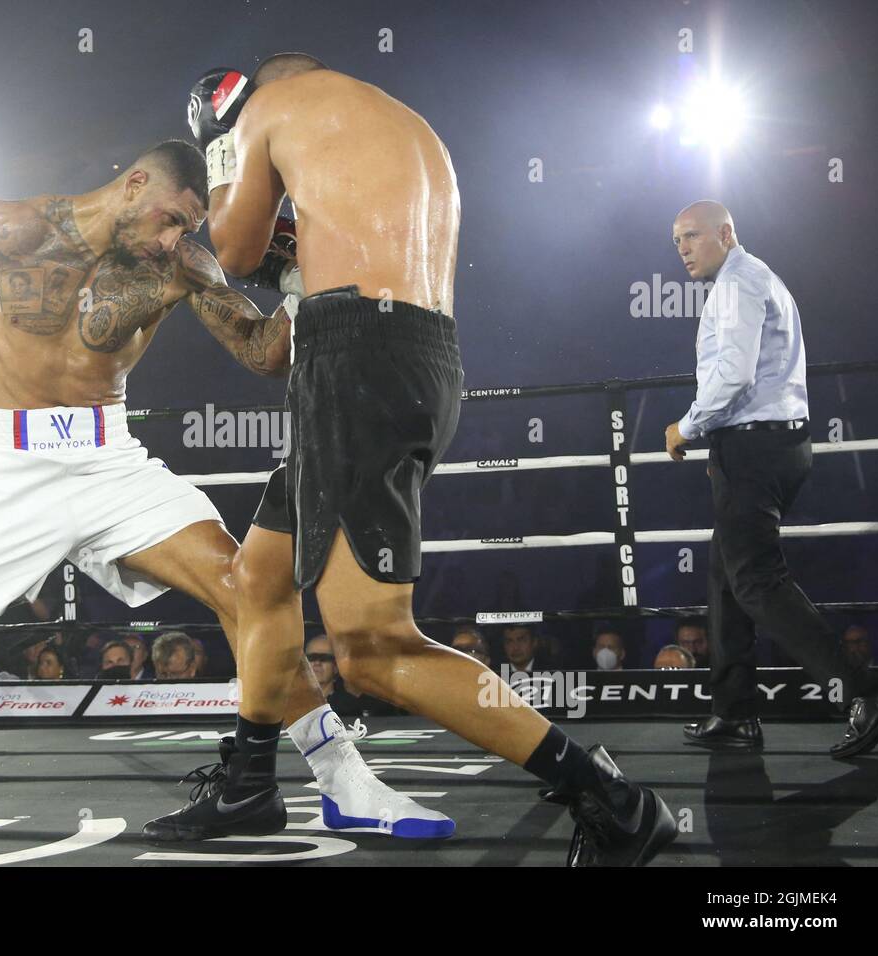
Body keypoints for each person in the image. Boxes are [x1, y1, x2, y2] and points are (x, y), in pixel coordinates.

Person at [0, 139, 441, 835]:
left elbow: (261, 354)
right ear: (135, 185)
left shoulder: (182, 262)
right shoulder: (10, 227)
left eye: (186, 229)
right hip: (7, 471)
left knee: (249, 585)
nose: (172, 239)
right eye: (169, 219)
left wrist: (301, 284)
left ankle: (344, 776)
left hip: (110, 462)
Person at [147, 54, 675, 865]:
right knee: (256, 577)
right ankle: (251, 781)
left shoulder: (265, 112)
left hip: (354, 360)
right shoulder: (401, 125)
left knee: (372, 649)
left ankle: (611, 798)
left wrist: (228, 163)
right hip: (420, 355)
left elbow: (236, 248)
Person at [668, 201, 878, 756]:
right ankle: (734, 711)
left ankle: (862, 692)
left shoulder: (738, 283)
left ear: (725, 232)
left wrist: (687, 426)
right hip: (777, 443)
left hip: (753, 447)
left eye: (692, 235)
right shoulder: (756, 277)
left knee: (756, 580)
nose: (684, 248)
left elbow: (735, 375)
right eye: (677, 241)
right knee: (725, 575)